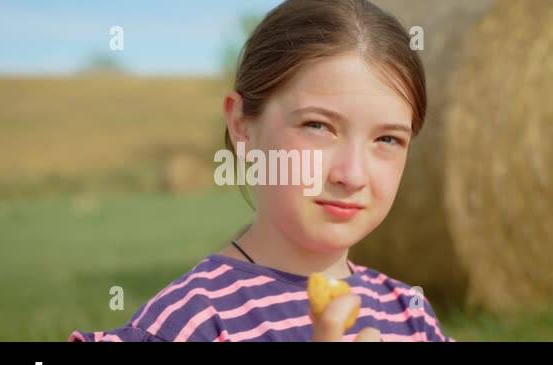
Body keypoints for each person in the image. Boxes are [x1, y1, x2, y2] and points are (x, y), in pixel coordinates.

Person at [69, 0, 452, 342]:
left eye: (387, 139)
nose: (351, 175)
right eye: (317, 126)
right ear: (241, 125)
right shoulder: (193, 321)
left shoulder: (410, 316)